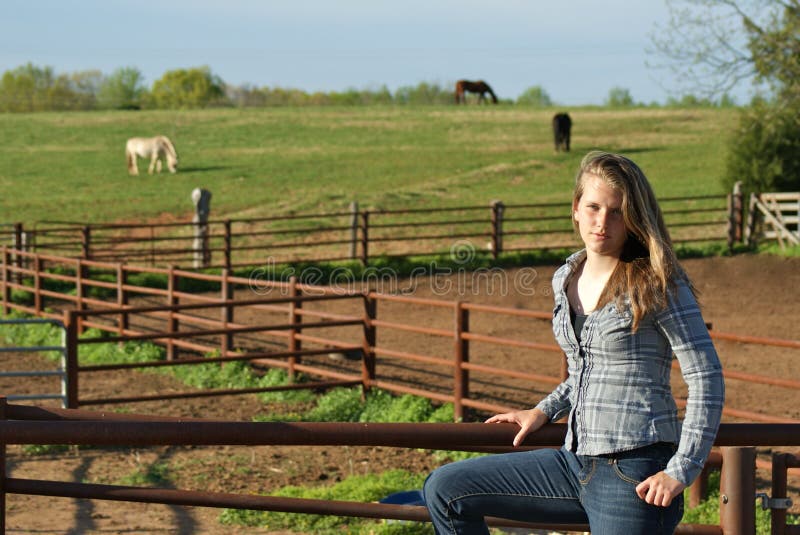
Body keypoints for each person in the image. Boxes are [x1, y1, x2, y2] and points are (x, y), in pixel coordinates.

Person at [423, 151, 725, 535]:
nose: (602, 222)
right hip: (573, 462)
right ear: (576, 209)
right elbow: (586, 368)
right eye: (594, 207)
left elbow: (707, 376)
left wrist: (682, 469)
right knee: (446, 489)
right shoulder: (566, 275)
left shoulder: (657, 281)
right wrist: (544, 410)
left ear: (633, 218)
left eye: (617, 212)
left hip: (635, 473)